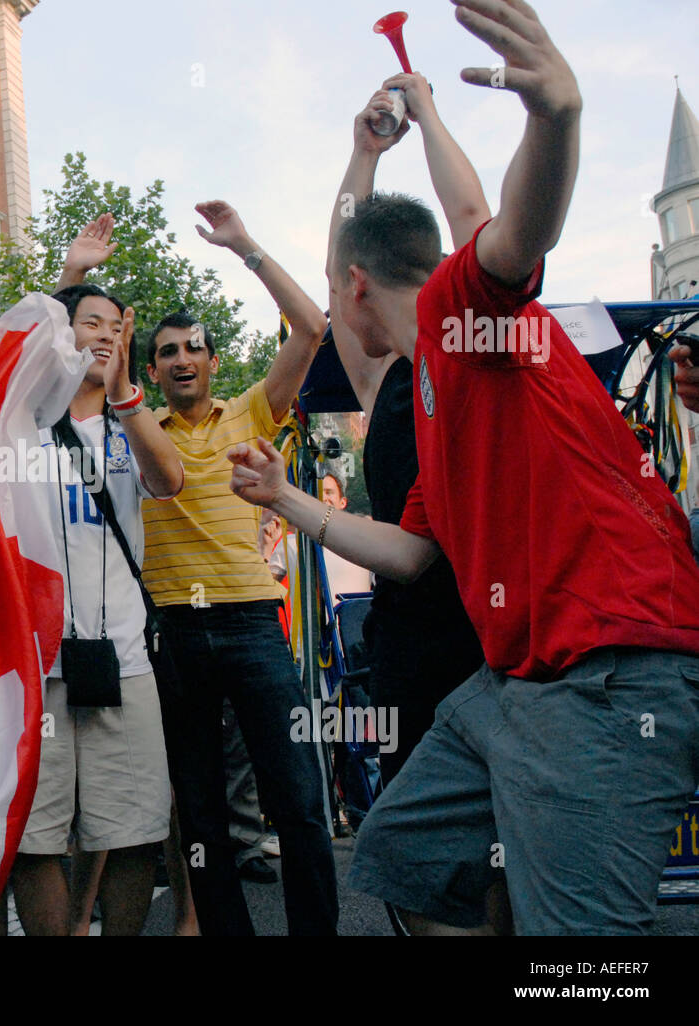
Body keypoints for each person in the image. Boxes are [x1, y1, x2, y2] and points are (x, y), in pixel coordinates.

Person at [229, 0, 699, 935]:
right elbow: (408, 554)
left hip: (606, 677)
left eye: (337, 278)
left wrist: (553, 114)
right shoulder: (429, 401)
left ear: (355, 285)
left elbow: (500, 226)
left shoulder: (465, 322)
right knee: (405, 855)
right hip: (510, 685)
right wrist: (284, 496)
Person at [135, 200, 337, 936]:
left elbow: (311, 327)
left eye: (193, 347)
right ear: (152, 370)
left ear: (213, 362)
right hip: (173, 632)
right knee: (200, 813)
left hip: (253, 624)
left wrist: (245, 246)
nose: (181, 358)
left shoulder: (252, 411)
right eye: (167, 352)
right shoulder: (133, 429)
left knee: (298, 800)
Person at [321, 73, 486, 785]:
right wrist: (364, 154)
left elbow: (474, 218)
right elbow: (340, 269)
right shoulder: (384, 377)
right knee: (414, 825)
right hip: (409, 637)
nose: (338, 297)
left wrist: (428, 115)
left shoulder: (477, 349)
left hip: (494, 629)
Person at [8, 283, 184, 936]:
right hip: (37, 665)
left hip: (124, 661)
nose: (107, 334)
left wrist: (125, 395)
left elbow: (169, 480)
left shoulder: (131, 423)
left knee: (134, 831)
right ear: (62, 333)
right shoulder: (21, 428)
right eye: (91, 323)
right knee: (35, 838)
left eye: (116, 325)